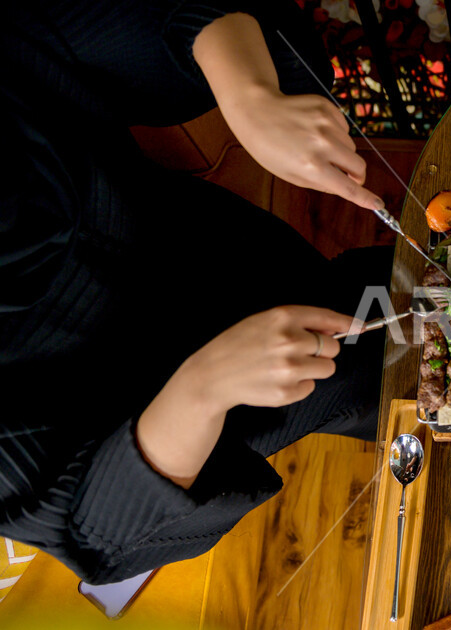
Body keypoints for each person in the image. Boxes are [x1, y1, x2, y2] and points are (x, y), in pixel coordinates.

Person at [1, 2, 391, 584]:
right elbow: (88, 527)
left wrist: (250, 97)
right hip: (204, 398)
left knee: (403, 297)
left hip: (218, 245)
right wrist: (204, 386)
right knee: (382, 378)